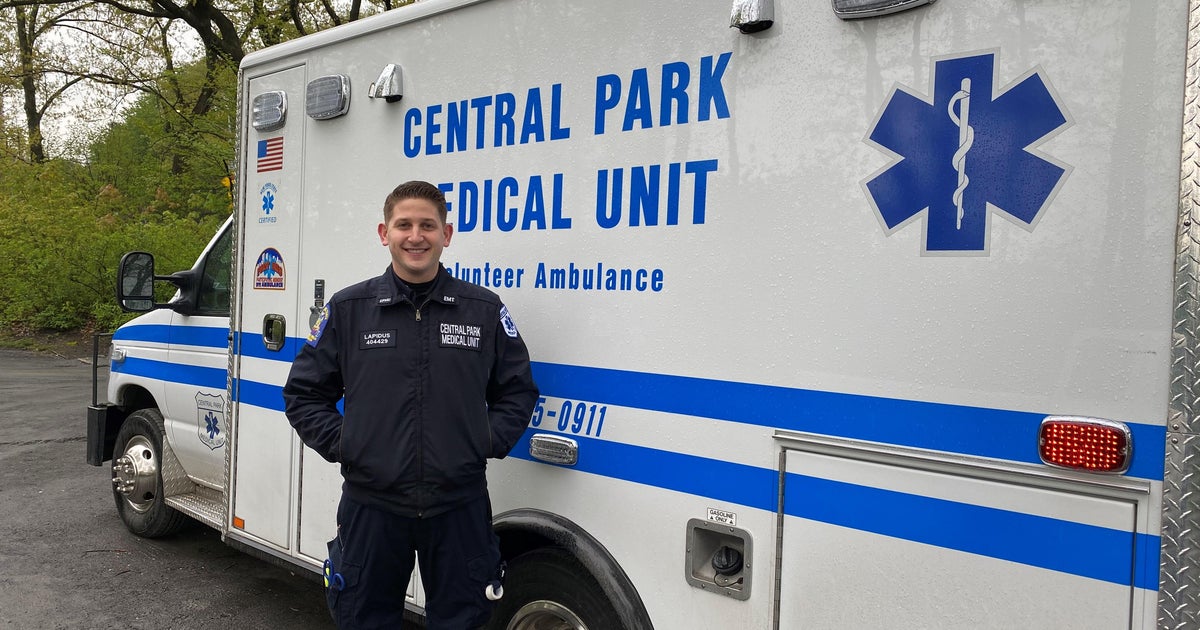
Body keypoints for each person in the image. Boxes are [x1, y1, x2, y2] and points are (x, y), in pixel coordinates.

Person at [283, 180, 539, 629]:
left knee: (465, 622)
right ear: (384, 233)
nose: (415, 236)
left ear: (447, 234)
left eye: (427, 225)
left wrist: (484, 440)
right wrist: (349, 444)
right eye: (404, 225)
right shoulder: (349, 310)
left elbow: (517, 390)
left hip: (458, 507)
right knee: (364, 619)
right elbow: (303, 394)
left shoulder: (481, 310)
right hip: (372, 507)